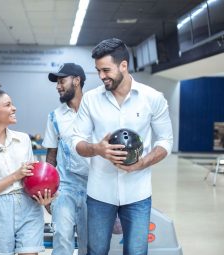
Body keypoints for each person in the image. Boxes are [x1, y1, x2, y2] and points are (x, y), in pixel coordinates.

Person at [71, 38, 173, 255]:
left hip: (138, 193)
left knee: (136, 252)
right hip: (100, 194)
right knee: (96, 251)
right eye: (98, 71)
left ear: (124, 66)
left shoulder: (152, 98)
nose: (101, 76)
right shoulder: (90, 99)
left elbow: (165, 141)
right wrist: (97, 149)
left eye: (106, 70)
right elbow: (76, 141)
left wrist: (142, 162)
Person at [0, 79, 55, 255]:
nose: (14, 108)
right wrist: (15, 176)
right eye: (8, 105)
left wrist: (45, 199)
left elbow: (33, 178)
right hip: (0, 211)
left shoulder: (23, 140)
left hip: (30, 206)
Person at [42, 63, 89, 255]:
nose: (58, 86)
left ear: (77, 81)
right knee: (62, 237)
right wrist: (47, 191)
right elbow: (51, 156)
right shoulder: (55, 116)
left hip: (95, 187)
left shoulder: (96, 109)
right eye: (57, 82)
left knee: (92, 243)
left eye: (62, 81)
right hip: (65, 186)